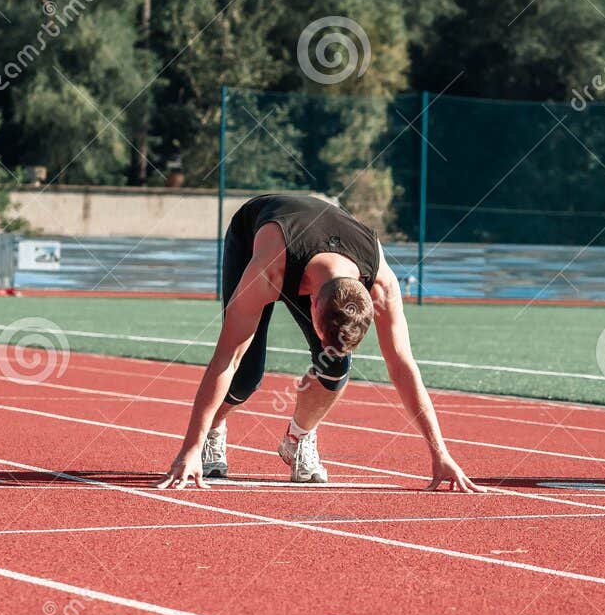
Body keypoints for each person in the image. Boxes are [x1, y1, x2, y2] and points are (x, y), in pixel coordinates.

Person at [159, 193, 479, 491]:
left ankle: (299, 437)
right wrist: (191, 447)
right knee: (245, 376)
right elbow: (226, 357)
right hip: (259, 236)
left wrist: (440, 453)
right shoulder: (269, 270)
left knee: (336, 364)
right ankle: (214, 427)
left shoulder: (380, 282)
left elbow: (402, 365)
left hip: (321, 247)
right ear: (311, 304)